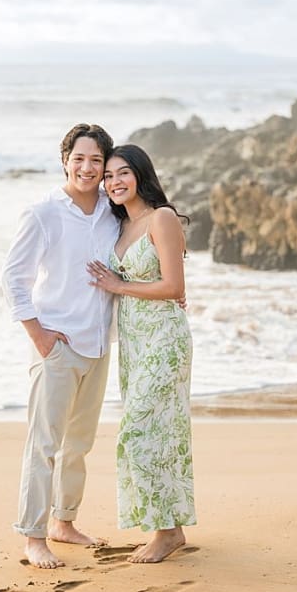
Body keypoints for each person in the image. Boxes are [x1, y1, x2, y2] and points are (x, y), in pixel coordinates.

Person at [1, 123, 119, 569]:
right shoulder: (42, 212)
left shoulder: (113, 210)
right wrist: (38, 334)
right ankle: (33, 536)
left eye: (96, 161)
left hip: (98, 343)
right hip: (57, 344)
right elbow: (13, 277)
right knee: (44, 444)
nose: (87, 168)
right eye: (79, 159)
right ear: (65, 161)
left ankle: (63, 522)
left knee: (79, 443)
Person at [86, 143, 195, 564]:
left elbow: (174, 288)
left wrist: (118, 285)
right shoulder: (119, 227)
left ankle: (166, 532)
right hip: (134, 340)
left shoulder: (161, 218)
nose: (114, 182)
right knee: (161, 433)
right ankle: (170, 528)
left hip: (164, 339)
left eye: (122, 173)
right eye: (108, 176)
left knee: (137, 429)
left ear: (140, 174)